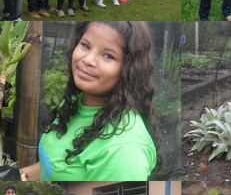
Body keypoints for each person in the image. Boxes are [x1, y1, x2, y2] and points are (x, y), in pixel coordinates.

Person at [22, 22, 156, 181]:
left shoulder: (122, 151)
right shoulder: (76, 102)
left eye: (108, 56)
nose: (88, 60)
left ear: (130, 69)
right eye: (85, 45)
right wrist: (17, 176)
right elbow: (54, 167)